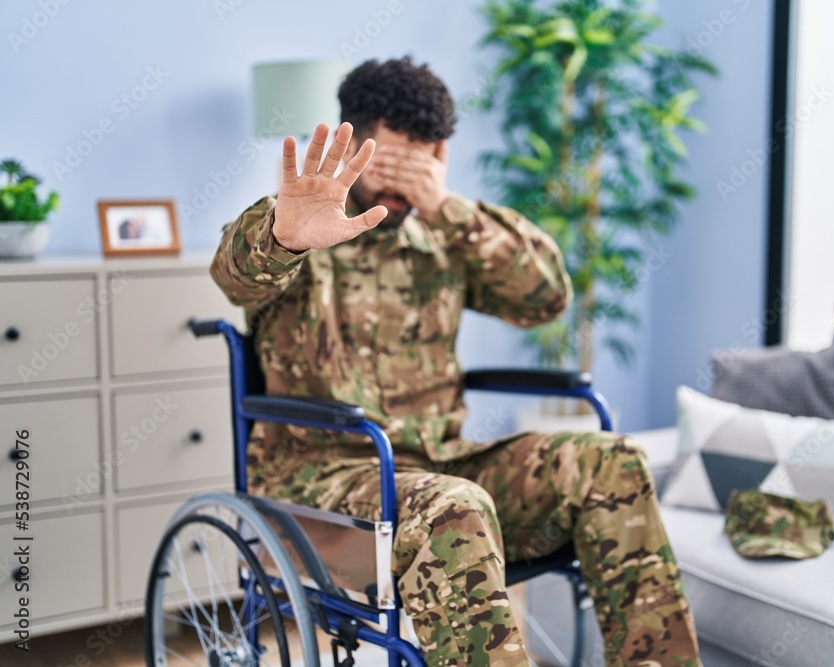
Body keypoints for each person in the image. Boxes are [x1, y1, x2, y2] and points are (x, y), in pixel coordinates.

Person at [210, 56, 701, 667]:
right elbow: (233, 277)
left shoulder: (445, 237)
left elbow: (547, 295)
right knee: (453, 503)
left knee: (613, 460)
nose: (402, 182)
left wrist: (448, 208)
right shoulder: (300, 230)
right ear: (352, 145)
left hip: (442, 462)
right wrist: (283, 237)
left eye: (424, 161)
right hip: (323, 481)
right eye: (390, 161)